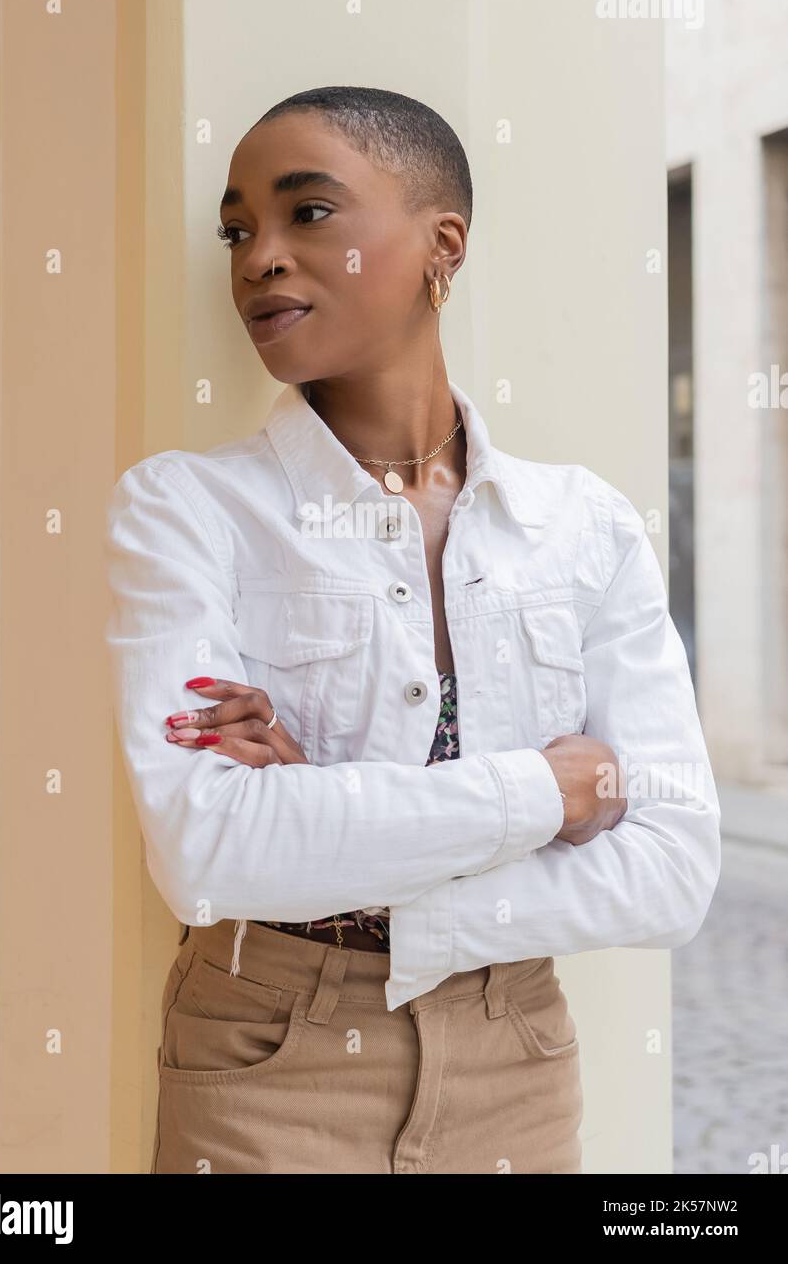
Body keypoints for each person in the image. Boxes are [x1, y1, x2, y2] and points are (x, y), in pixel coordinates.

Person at [104, 85, 721, 1175]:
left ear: (442, 245)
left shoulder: (584, 527)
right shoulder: (184, 509)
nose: (257, 259)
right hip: (265, 1053)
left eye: (309, 213)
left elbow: (671, 864)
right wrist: (548, 792)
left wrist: (329, 823)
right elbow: (208, 852)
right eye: (238, 230)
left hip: (514, 1055)